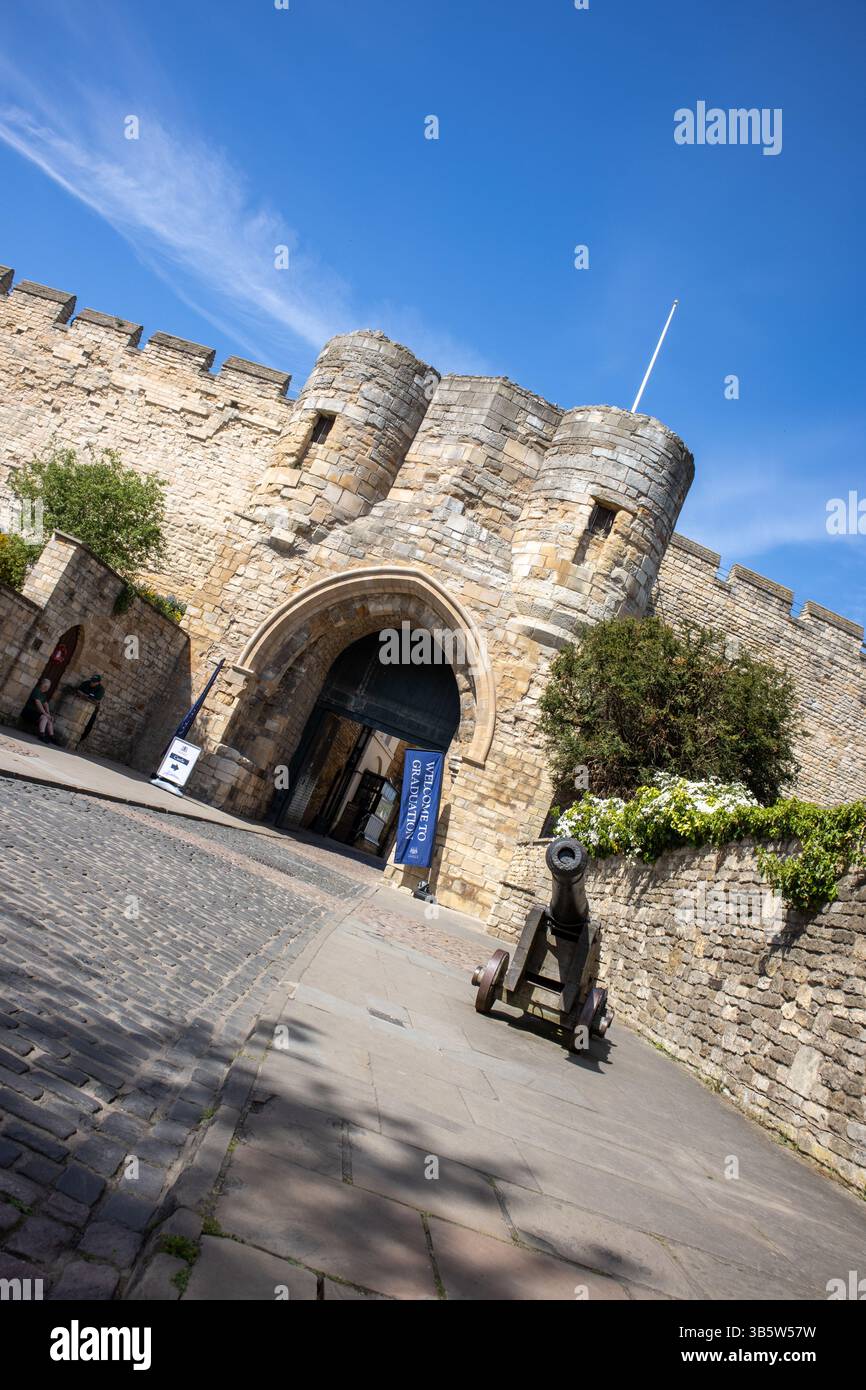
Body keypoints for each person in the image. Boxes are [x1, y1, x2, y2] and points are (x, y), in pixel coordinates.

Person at [22, 677, 56, 743]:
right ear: (42, 684)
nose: (46, 688)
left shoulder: (43, 695)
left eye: (48, 687)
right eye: (45, 686)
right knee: (45, 717)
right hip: (28, 711)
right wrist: (45, 714)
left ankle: (52, 737)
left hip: (36, 713)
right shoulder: (36, 690)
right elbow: (38, 703)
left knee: (49, 718)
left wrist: (49, 714)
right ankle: (41, 735)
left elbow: (46, 704)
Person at [77, 674, 105, 743]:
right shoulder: (86, 683)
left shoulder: (100, 689)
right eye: (92, 680)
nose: (92, 682)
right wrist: (88, 697)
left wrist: (84, 696)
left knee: (88, 726)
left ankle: (79, 741)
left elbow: (96, 701)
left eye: (94, 682)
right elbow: (78, 691)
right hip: (80, 706)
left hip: (92, 711)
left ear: (98, 682)